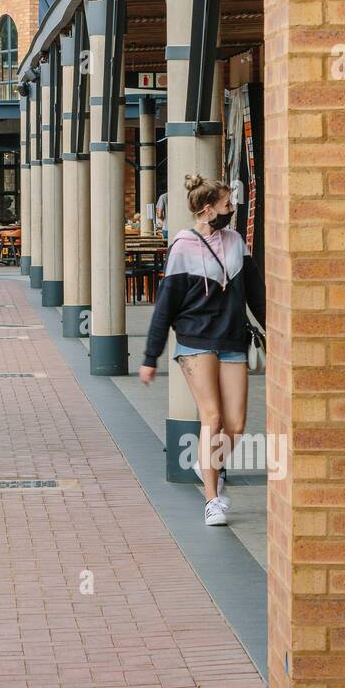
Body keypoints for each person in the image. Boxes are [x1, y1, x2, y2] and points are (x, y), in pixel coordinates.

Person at [139, 173, 266, 529]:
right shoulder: (181, 247)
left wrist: (277, 332)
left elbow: (256, 294)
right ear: (208, 210)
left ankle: (208, 462)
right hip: (195, 342)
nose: (232, 209)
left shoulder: (237, 242)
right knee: (212, 418)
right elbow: (165, 306)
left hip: (232, 341)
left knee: (237, 424)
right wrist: (150, 357)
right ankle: (212, 499)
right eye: (227, 205)